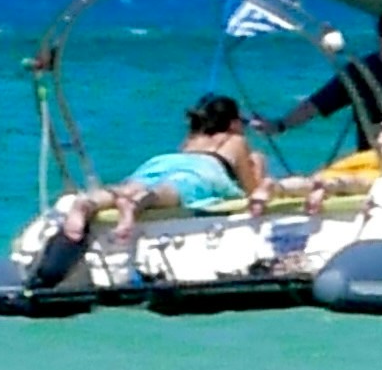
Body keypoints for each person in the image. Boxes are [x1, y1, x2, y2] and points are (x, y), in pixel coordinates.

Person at [22, 92, 274, 286]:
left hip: (162, 161)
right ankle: (137, 205)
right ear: (232, 123)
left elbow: (182, 163)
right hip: (206, 169)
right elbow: (250, 191)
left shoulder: (190, 141)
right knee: (171, 191)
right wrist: (258, 166)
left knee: (129, 186)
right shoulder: (235, 140)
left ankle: (89, 203)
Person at [262, 8, 382, 174]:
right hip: (374, 156)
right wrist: (282, 125)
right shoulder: (360, 71)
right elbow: (316, 105)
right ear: (378, 36)